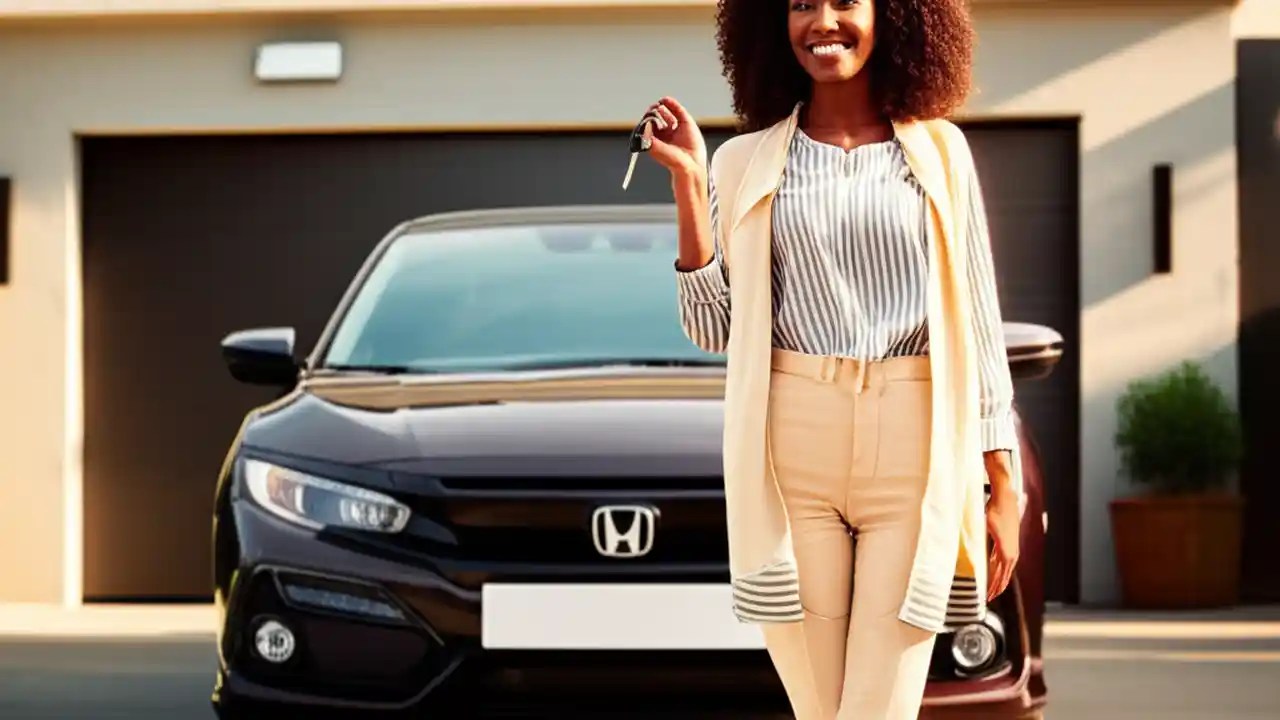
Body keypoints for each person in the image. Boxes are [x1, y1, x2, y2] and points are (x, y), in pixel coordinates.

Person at [641, 1, 1023, 718]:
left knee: (879, 708)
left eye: (845, 1)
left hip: (913, 451)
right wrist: (691, 188)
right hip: (792, 457)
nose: (823, 21)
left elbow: (977, 317)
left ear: (896, 16)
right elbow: (713, 326)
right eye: (800, 5)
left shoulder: (941, 152)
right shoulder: (743, 160)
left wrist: (1004, 481)